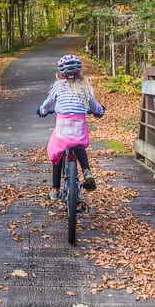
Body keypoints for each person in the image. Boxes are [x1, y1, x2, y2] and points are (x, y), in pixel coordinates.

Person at [37, 54, 105, 200]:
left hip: (62, 127)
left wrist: (42, 111)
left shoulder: (58, 86)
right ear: (79, 72)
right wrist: (100, 111)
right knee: (78, 145)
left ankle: (55, 190)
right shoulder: (85, 86)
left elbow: (48, 103)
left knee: (57, 154)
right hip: (79, 127)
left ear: (61, 73)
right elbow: (94, 105)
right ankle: (87, 171)